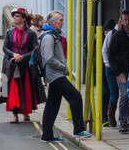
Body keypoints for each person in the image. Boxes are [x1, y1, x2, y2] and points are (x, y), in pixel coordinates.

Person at [38, 11, 93, 142]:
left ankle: (47, 135)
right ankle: (78, 130)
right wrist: (63, 67)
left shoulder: (52, 35)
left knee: (52, 105)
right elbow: (49, 58)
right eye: (60, 20)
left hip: (55, 75)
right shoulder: (48, 37)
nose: (63, 22)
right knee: (75, 97)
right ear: (53, 22)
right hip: (56, 75)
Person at [0, 7, 38, 124]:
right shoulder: (9, 32)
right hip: (13, 65)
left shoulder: (31, 34)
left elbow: (35, 49)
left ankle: (26, 112)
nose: (15, 18)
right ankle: (15, 115)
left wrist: (24, 56)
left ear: (23, 19)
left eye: (17, 16)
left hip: (26, 65)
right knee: (14, 90)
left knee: (26, 89)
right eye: (14, 16)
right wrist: (14, 54)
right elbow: (5, 47)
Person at [101, 18, 119, 127]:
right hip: (105, 68)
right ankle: (104, 117)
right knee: (107, 92)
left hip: (109, 67)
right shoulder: (102, 38)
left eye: (106, 31)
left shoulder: (112, 36)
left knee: (110, 92)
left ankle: (105, 116)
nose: (106, 34)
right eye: (105, 32)